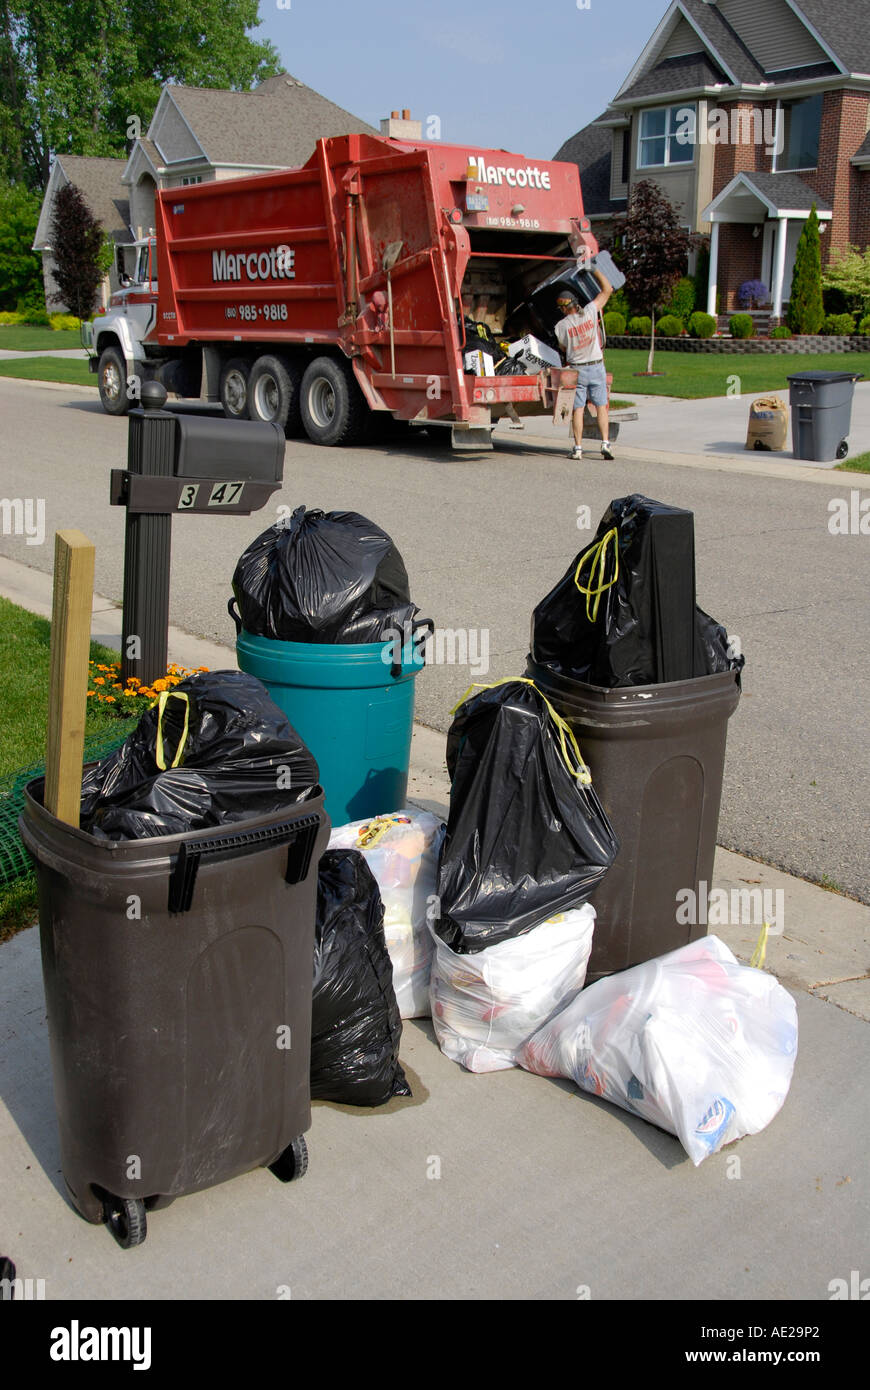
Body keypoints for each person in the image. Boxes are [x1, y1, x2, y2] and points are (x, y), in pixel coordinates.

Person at [554, 270, 613, 462]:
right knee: (601, 407)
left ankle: (578, 448)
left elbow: (563, 347)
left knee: (577, 410)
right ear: (576, 302)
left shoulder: (561, 327)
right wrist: (594, 269)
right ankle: (605, 443)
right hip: (596, 366)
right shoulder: (589, 311)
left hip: (577, 370)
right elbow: (607, 289)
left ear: (563, 308)